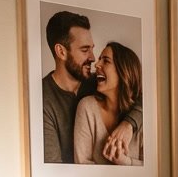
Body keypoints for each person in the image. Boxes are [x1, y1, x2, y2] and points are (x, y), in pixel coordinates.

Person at [42, 10, 142, 164]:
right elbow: (52, 166)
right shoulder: (43, 99)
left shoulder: (100, 82)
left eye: (92, 48)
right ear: (61, 52)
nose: (93, 58)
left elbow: (143, 94)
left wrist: (128, 124)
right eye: (84, 50)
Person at [73, 41, 143, 165]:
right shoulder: (87, 107)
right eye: (100, 59)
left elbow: (153, 167)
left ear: (124, 71)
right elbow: (82, 164)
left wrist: (124, 162)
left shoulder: (142, 116)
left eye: (106, 61)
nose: (97, 64)